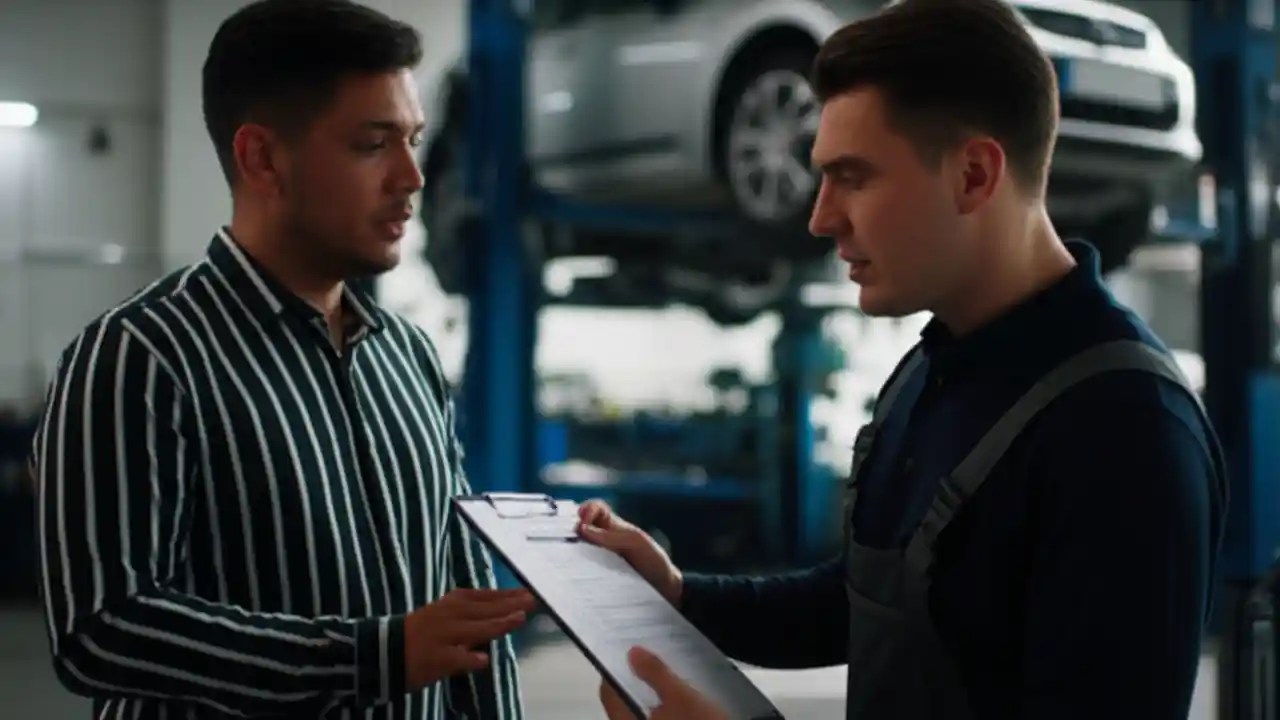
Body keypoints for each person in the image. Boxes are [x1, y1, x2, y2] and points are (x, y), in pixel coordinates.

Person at [579, 0, 1227, 718]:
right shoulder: (930, 370)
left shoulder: (1123, 431)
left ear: (974, 176)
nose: (821, 217)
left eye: (853, 176)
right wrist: (680, 595)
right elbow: (864, 603)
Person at [29, 1, 533, 718]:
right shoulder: (141, 357)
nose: (411, 178)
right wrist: (372, 656)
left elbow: (464, 596)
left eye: (413, 141)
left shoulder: (407, 356)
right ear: (262, 157)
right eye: (372, 144)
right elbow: (101, 629)